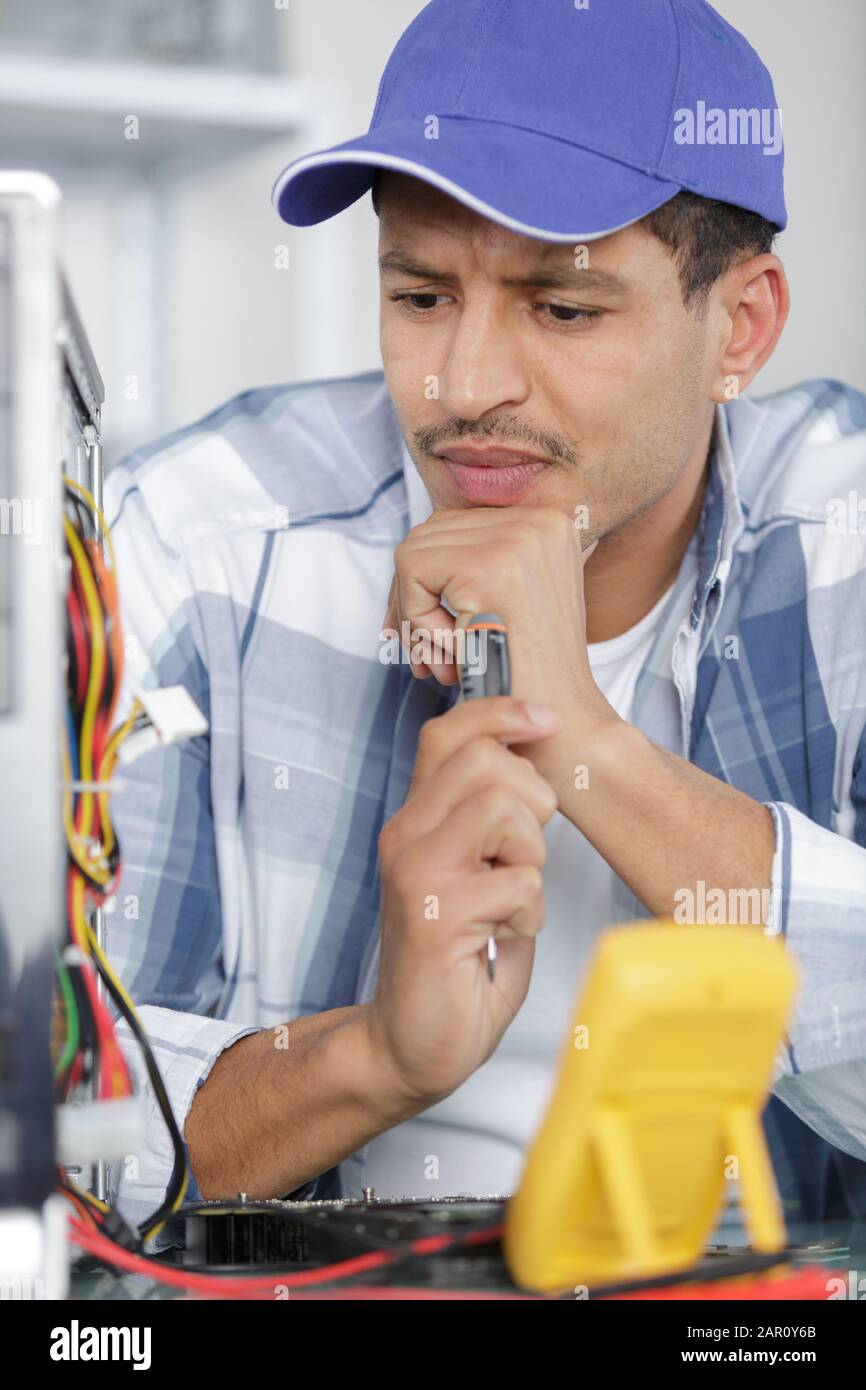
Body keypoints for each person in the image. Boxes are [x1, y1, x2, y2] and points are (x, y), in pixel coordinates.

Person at [104, 0, 866, 1238]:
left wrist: (582, 737)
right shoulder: (192, 538)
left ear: (739, 327)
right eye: (417, 295)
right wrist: (372, 1059)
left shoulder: (844, 539)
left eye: (561, 309)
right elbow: (57, 1132)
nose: (462, 388)